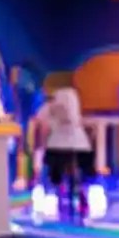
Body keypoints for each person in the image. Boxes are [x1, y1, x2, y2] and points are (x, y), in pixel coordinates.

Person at [33, 79, 95, 209]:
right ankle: (76, 193)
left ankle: (67, 193)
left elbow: (42, 119)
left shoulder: (56, 101)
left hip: (62, 143)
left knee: (65, 170)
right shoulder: (67, 98)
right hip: (72, 142)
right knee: (74, 170)